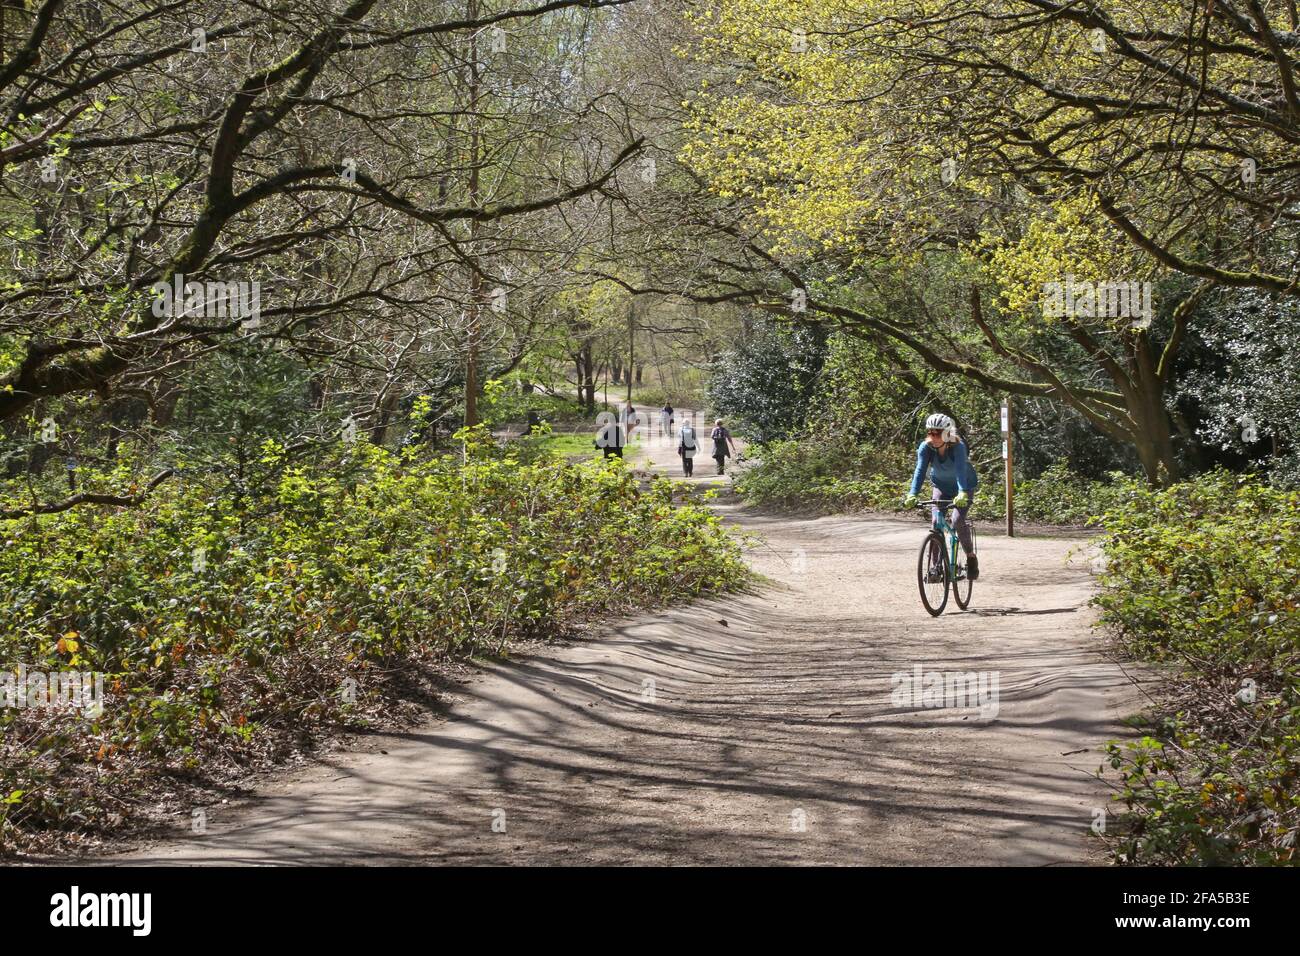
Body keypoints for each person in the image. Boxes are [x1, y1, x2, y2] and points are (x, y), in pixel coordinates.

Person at [903, 413, 979, 579]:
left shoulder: (958, 447)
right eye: (930, 433)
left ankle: (971, 557)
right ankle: (935, 568)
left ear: (947, 432)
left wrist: (962, 492)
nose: (933, 437)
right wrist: (912, 493)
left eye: (937, 433)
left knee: (958, 521)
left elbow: (960, 471)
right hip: (941, 486)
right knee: (936, 522)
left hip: (964, 487)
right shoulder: (926, 447)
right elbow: (920, 471)